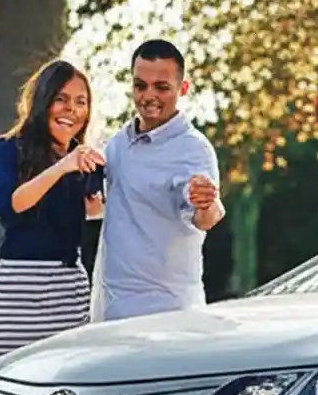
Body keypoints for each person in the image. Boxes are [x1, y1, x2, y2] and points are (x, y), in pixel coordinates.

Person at [90, 39, 225, 322]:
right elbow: (101, 208)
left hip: (168, 314)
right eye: (140, 86)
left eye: (162, 87)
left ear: (183, 88)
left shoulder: (193, 149)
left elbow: (206, 218)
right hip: (109, 310)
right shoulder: (117, 144)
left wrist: (206, 203)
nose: (149, 95)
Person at [0, 59, 105, 363]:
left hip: (69, 286)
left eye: (81, 102)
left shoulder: (86, 163)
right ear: (42, 101)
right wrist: (62, 167)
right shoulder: (7, 149)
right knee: (10, 375)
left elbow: (90, 231)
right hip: (20, 282)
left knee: (66, 377)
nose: (71, 110)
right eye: (61, 99)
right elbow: (11, 205)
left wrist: (96, 213)